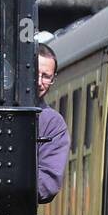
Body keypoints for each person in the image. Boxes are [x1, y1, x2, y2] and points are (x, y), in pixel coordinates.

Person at [35, 43, 70, 203]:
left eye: (46, 76)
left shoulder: (52, 123)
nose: (39, 82)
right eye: (34, 74)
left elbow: (47, 184)